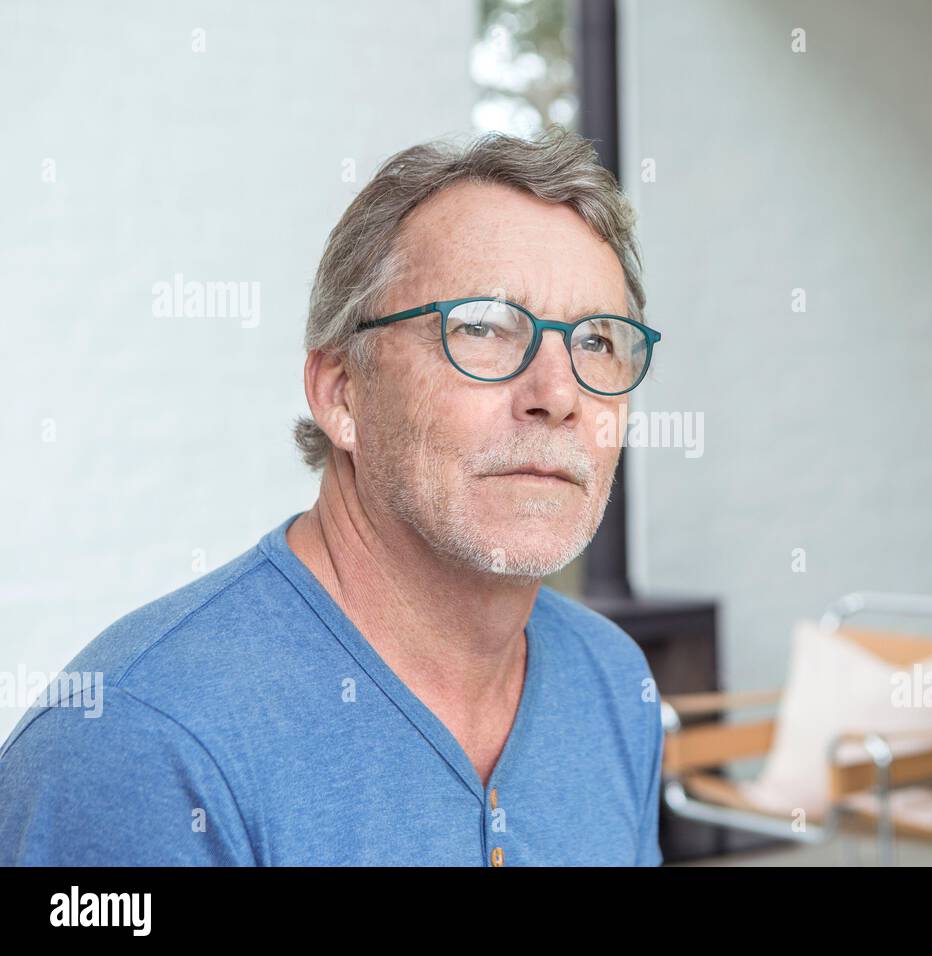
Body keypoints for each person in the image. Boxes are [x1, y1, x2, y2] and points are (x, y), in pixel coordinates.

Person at [0, 127, 665, 866]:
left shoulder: (611, 683)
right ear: (341, 392)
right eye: (482, 328)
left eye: (599, 340)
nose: (558, 395)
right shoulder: (140, 745)